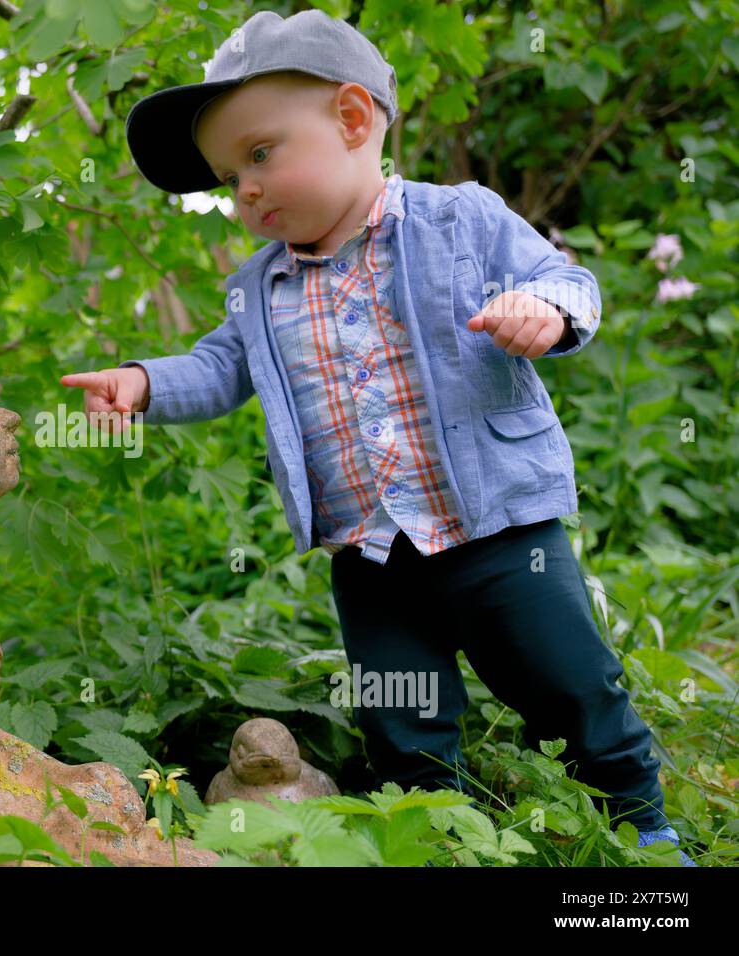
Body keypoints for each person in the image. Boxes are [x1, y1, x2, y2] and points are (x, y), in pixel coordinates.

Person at [61, 9, 698, 866]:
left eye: (259, 155)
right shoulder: (259, 287)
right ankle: (434, 824)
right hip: (370, 551)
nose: (243, 190)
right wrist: (142, 382)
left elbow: (565, 277)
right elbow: (221, 366)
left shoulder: (459, 220)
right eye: (225, 177)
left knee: (569, 679)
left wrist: (544, 310)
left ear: (354, 120)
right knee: (400, 704)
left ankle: (641, 821)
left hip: (500, 529)